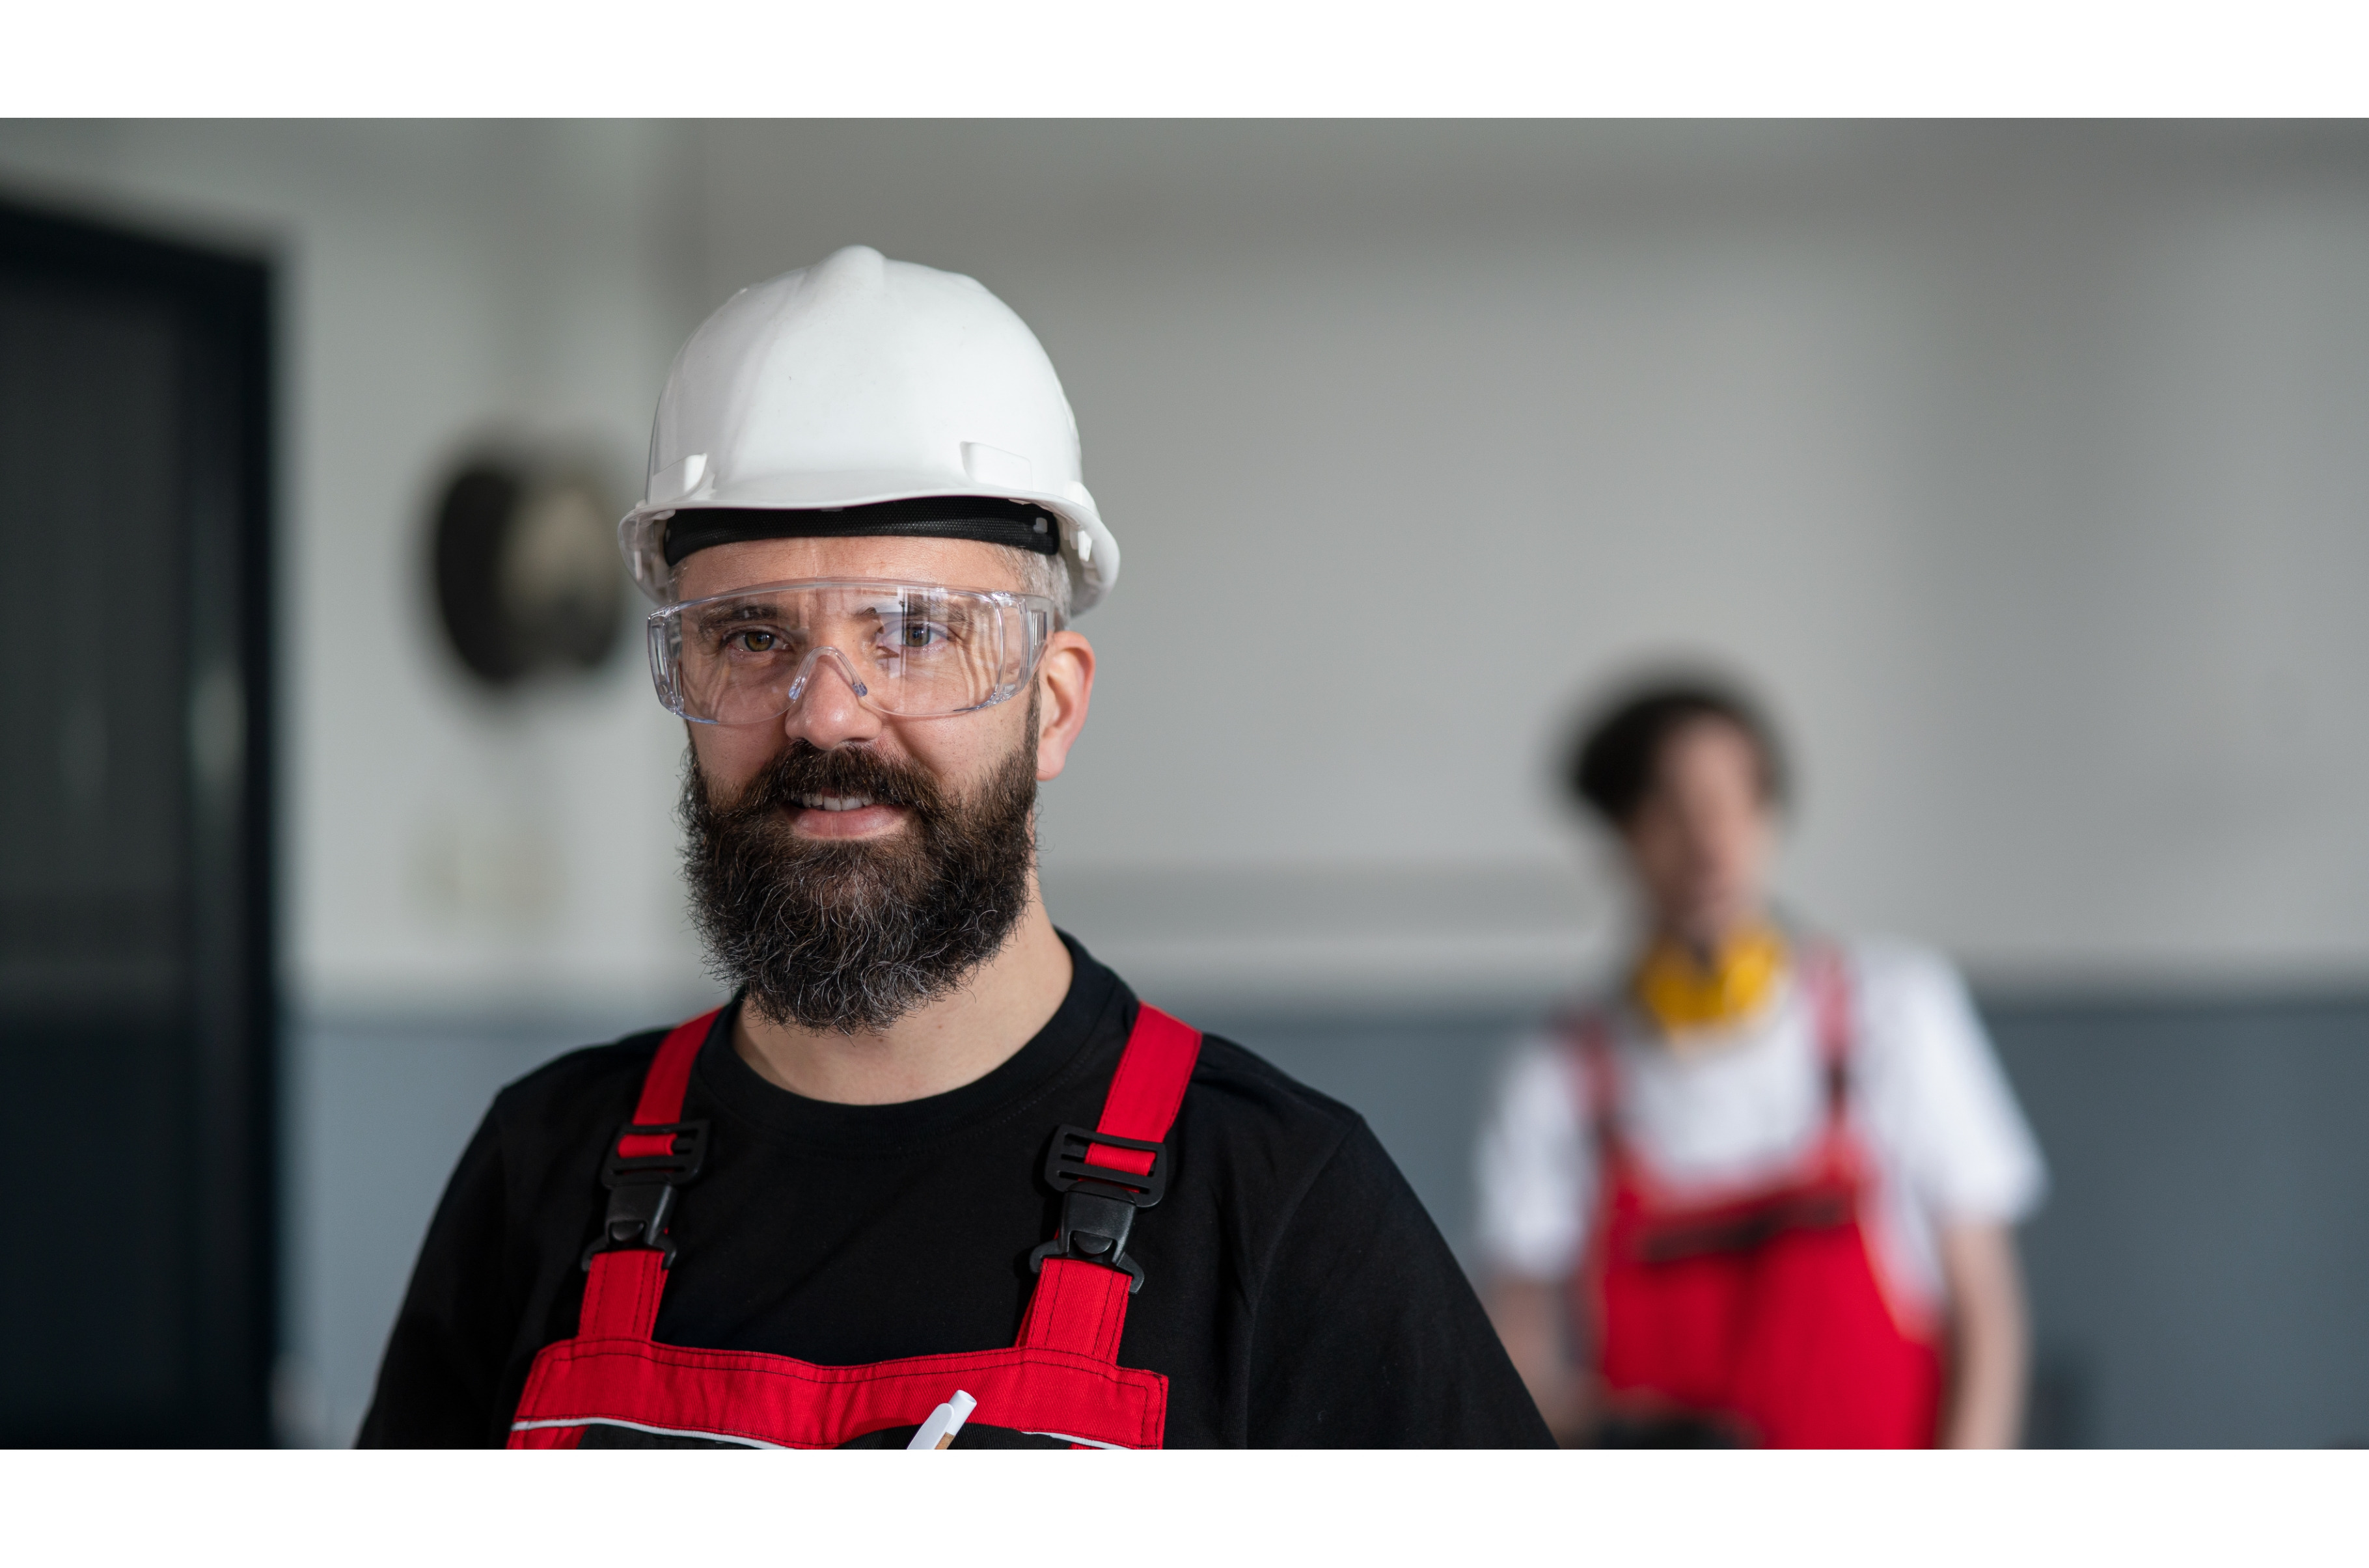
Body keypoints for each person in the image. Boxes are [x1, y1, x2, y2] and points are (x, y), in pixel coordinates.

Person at [359, 245, 1549, 1449]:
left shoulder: (1283, 1214)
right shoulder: (541, 1174)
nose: (826, 715)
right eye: (752, 637)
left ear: (1054, 705)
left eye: (917, 632)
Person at [1475, 677, 2046, 1447]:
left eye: (1737, 799)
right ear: (1621, 834)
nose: (1709, 839)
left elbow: (1988, 1314)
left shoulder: (1893, 1012)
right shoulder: (1558, 1074)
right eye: (1671, 807)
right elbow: (1516, 1363)